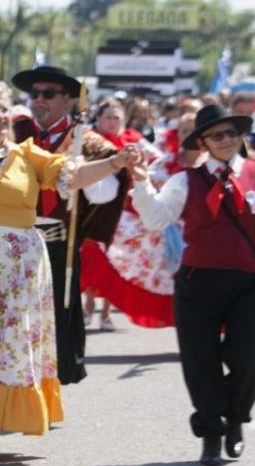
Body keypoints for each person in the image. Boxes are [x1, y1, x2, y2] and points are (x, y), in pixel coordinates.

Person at [0, 83, 140, 463]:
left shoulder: (28, 155)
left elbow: (71, 177)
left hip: (17, 266)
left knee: (6, 344)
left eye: (4, 109)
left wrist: (115, 162)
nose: (0, 117)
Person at [129, 105, 255, 466]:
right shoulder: (186, 180)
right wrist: (140, 182)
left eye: (233, 133)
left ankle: (236, 421)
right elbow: (155, 219)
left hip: (248, 283)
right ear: (203, 142)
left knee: (246, 358)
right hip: (198, 282)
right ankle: (211, 432)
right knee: (201, 362)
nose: (228, 140)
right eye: (218, 135)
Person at [10, 65, 126, 385]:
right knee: (15, 316)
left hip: (60, 242)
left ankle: (51, 384)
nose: (39, 100)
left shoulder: (84, 140)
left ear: (67, 100)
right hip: (17, 238)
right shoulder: (14, 133)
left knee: (57, 317)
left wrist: (81, 173)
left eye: (49, 94)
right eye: (35, 94)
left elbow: (106, 194)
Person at [81, 113, 200, 330]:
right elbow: (143, 184)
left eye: (194, 129)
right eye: (184, 130)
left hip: (198, 236)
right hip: (163, 229)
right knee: (101, 247)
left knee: (197, 286)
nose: (189, 134)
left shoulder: (213, 167)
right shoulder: (165, 164)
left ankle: (200, 331)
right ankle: (91, 308)